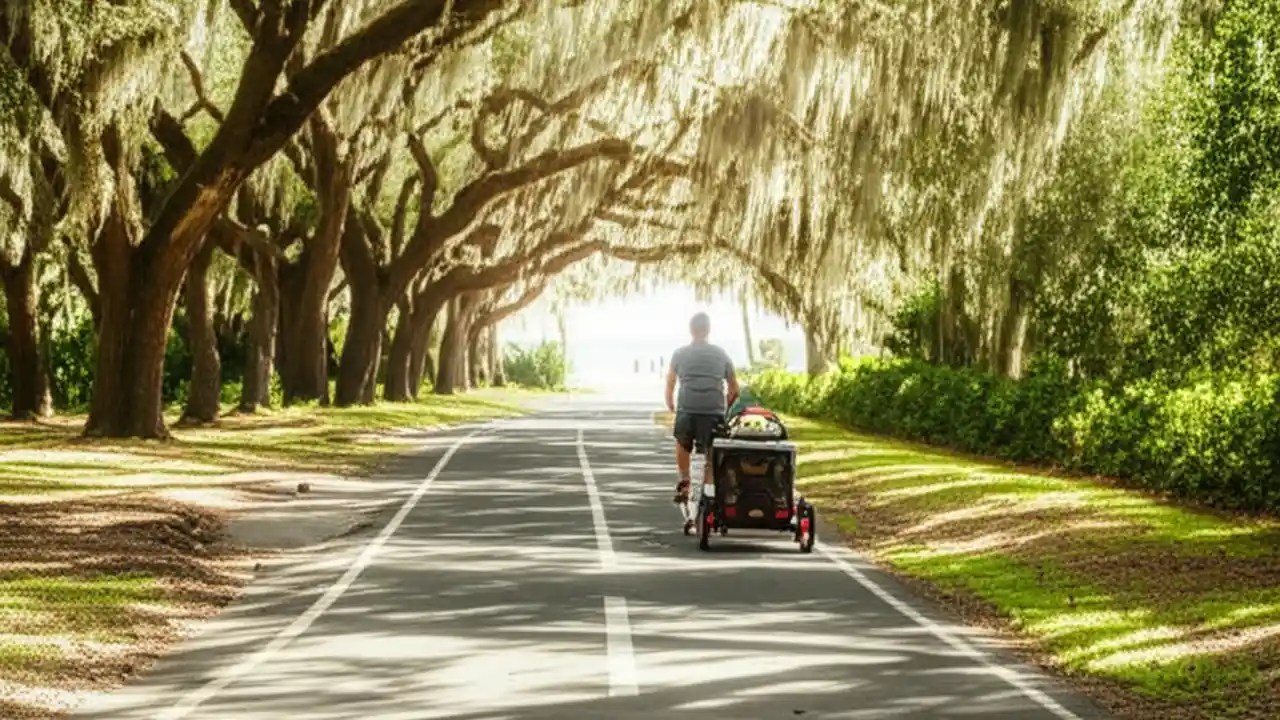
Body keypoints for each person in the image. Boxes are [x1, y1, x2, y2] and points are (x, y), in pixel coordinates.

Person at [665, 312, 739, 504]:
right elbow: (733, 388)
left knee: (682, 443)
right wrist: (726, 406)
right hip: (713, 410)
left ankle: (685, 482)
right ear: (709, 330)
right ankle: (710, 487)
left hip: (688, 408)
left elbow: (671, 381)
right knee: (711, 451)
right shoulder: (721, 354)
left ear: (691, 330)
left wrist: (670, 402)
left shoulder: (680, 353)